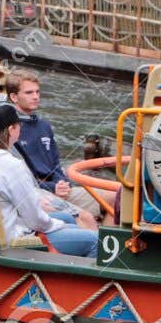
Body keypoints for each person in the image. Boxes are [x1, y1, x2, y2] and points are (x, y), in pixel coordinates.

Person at [0, 102, 98, 257]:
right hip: (16, 237)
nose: (21, 128)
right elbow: (35, 219)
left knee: (67, 218)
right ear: (11, 130)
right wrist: (57, 225)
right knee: (95, 240)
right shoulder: (12, 166)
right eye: (19, 125)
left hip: (2, 226)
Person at [6, 69, 102, 218]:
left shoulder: (44, 125)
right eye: (29, 93)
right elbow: (20, 180)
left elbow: (55, 163)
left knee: (115, 198)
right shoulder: (9, 128)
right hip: (37, 193)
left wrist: (62, 183)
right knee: (85, 218)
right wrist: (53, 187)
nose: (36, 97)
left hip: (58, 188)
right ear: (14, 97)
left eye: (37, 92)